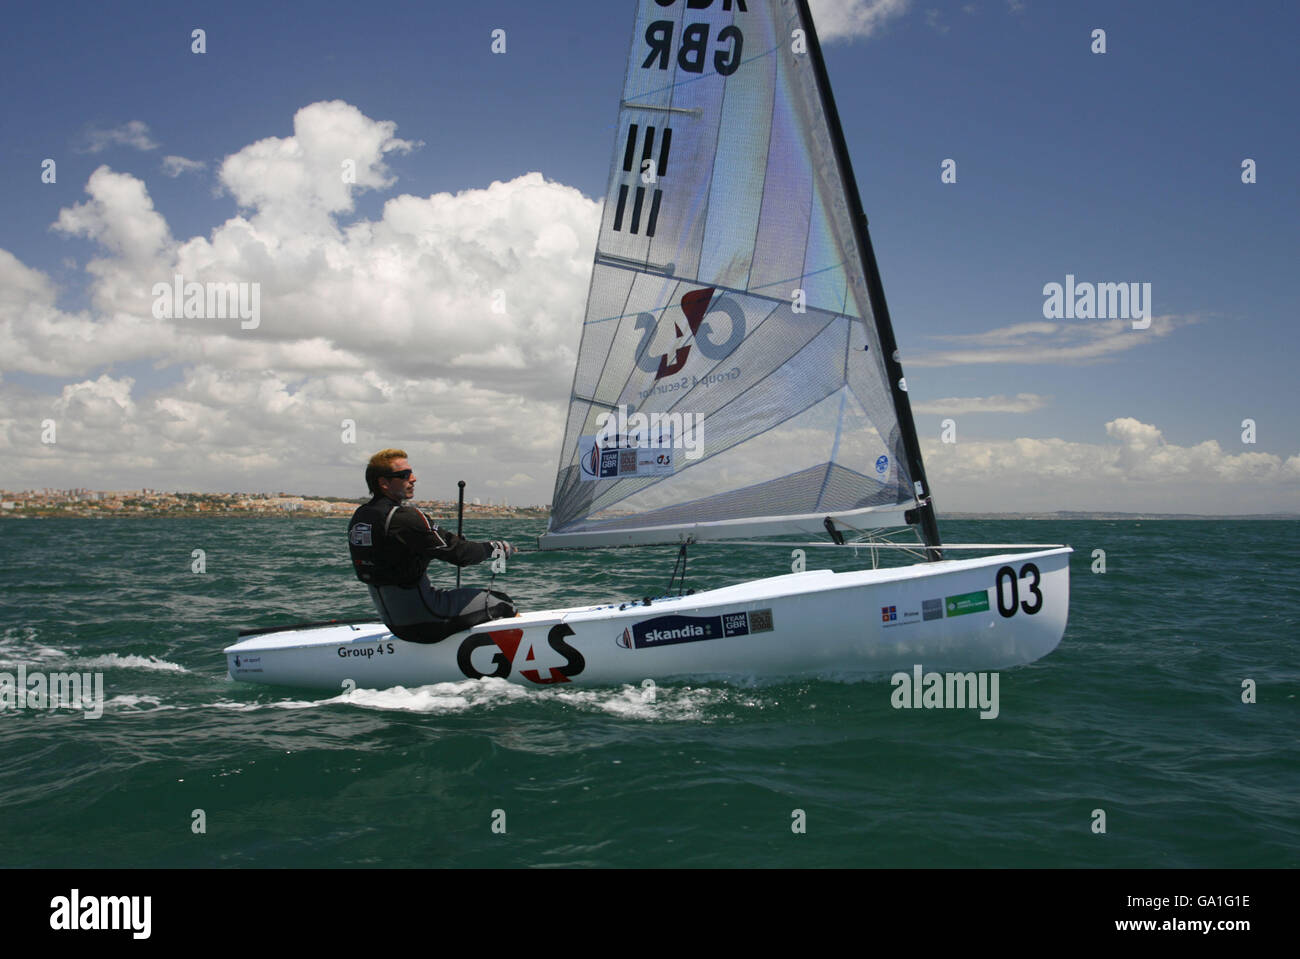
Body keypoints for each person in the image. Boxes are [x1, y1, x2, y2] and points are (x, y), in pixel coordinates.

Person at [347, 448, 517, 643]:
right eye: (404, 475)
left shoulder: (362, 515)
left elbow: (396, 556)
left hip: (395, 623)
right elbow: (461, 555)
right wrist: (496, 547)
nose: (413, 478)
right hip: (427, 620)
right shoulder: (405, 517)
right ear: (383, 483)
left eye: (411, 473)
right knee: (501, 602)